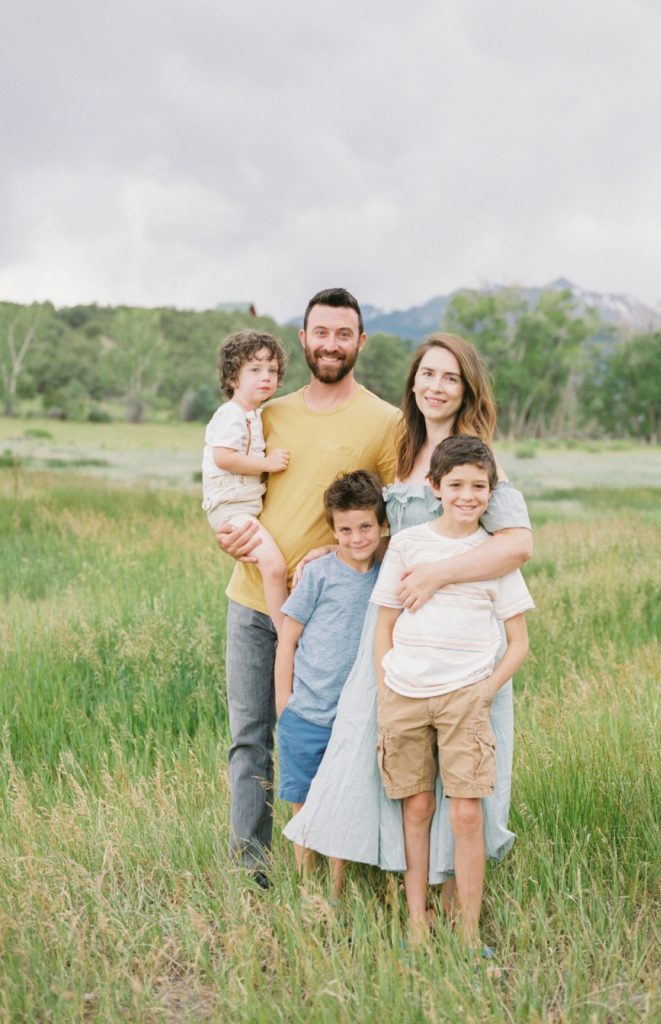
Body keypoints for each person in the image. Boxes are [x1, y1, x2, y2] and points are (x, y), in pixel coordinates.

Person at [284, 333, 532, 915]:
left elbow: (517, 546)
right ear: (413, 382)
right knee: (373, 752)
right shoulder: (406, 452)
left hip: (463, 643)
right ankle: (386, 877)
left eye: (450, 377)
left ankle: (455, 897)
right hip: (400, 639)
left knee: (461, 779)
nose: (435, 387)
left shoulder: (477, 461)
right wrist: (339, 552)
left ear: (467, 389)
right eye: (427, 375)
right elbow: (411, 536)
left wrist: (439, 578)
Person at [216, 288, 401, 886]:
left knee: (331, 733)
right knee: (250, 739)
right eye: (320, 333)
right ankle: (254, 872)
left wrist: (343, 546)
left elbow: (394, 517)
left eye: (343, 334)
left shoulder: (384, 422)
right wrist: (222, 532)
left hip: (330, 616)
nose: (330, 344)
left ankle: (330, 865)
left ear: (360, 342)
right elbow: (230, 483)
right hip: (251, 599)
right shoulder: (269, 410)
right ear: (303, 338)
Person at [372, 435, 534, 948]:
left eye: (480, 486)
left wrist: (483, 691)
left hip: (466, 695)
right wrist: (386, 682)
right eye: (457, 484)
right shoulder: (409, 543)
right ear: (435, 487)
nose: (468, 495)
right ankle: (417, 922)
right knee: (416, 806)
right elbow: (384, 623)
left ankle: (467, 932)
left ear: (492, 492)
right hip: (405, 692)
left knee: (466, 812)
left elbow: (519, 643)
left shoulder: (493, 556)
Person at [275, 471, 386, 900]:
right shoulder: (318, 574)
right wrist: (285, 704)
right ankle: (307, 888)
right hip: (306, 713)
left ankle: (337, 890)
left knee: (339, 800)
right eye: (345, 529)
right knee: (303, 801)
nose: (356, 538)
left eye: (365, 527)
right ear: (333, 529)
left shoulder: (384, 574)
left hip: (354, 718)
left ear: (381, 526)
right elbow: (288, 639)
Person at [202, 330, 290, 634]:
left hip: (243, 507)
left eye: (273, 370)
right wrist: (267, 464)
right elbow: (223, 457)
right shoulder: (231, 414)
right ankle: (285, 634)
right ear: (232, 379)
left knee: (274, 564)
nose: (266, 376)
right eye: (255, 369)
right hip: (231, 509)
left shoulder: (254, 414)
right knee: (275, 567)